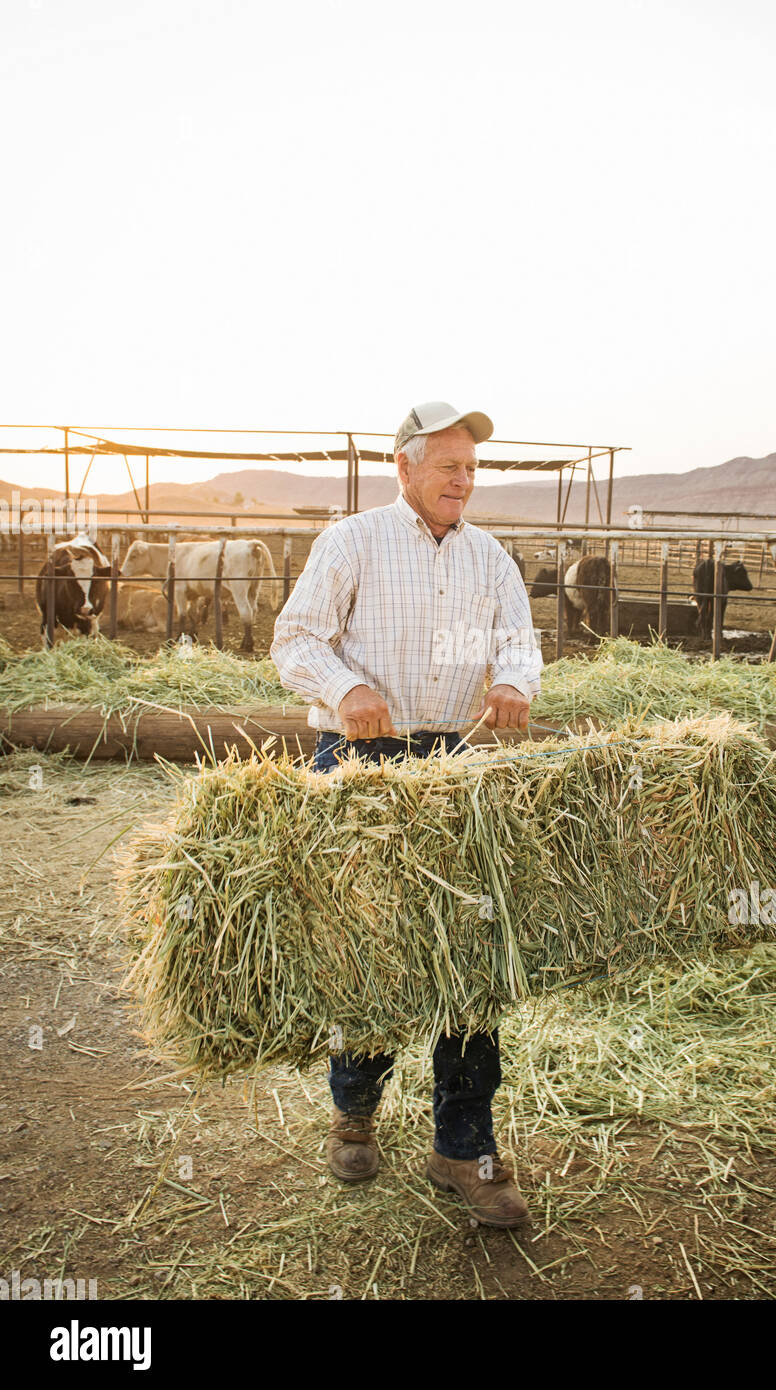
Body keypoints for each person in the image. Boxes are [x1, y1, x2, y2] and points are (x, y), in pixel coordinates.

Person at [270, 400, 543, 1226]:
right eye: (450, 466)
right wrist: (345, 688)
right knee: (369, 945)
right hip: (360, 761)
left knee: (470, 954)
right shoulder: (351, 542)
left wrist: (511, 684)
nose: (465, 480)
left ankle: (463, 1149)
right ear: (406, 468)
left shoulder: (490, 557)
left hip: (454, 761)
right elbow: (295, 640)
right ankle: (354, 1109)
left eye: (471, 468)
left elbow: (519, 644)